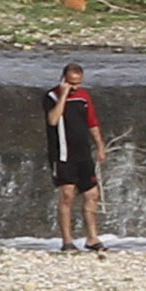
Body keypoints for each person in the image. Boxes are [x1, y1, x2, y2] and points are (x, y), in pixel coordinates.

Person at [44, 62, 104, 252]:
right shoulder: (51, 96)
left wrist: (100, 145)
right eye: (71, 83)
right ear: (63, 79)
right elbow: (53, 120)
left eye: (78, 83)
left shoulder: (84, 96)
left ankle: (92, 238)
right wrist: (63, 95)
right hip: (62, 153)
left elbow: (92, 122)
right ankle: (67, 241)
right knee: (67, 195)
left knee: (92, 193)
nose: (75, 87)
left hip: (83, 152)